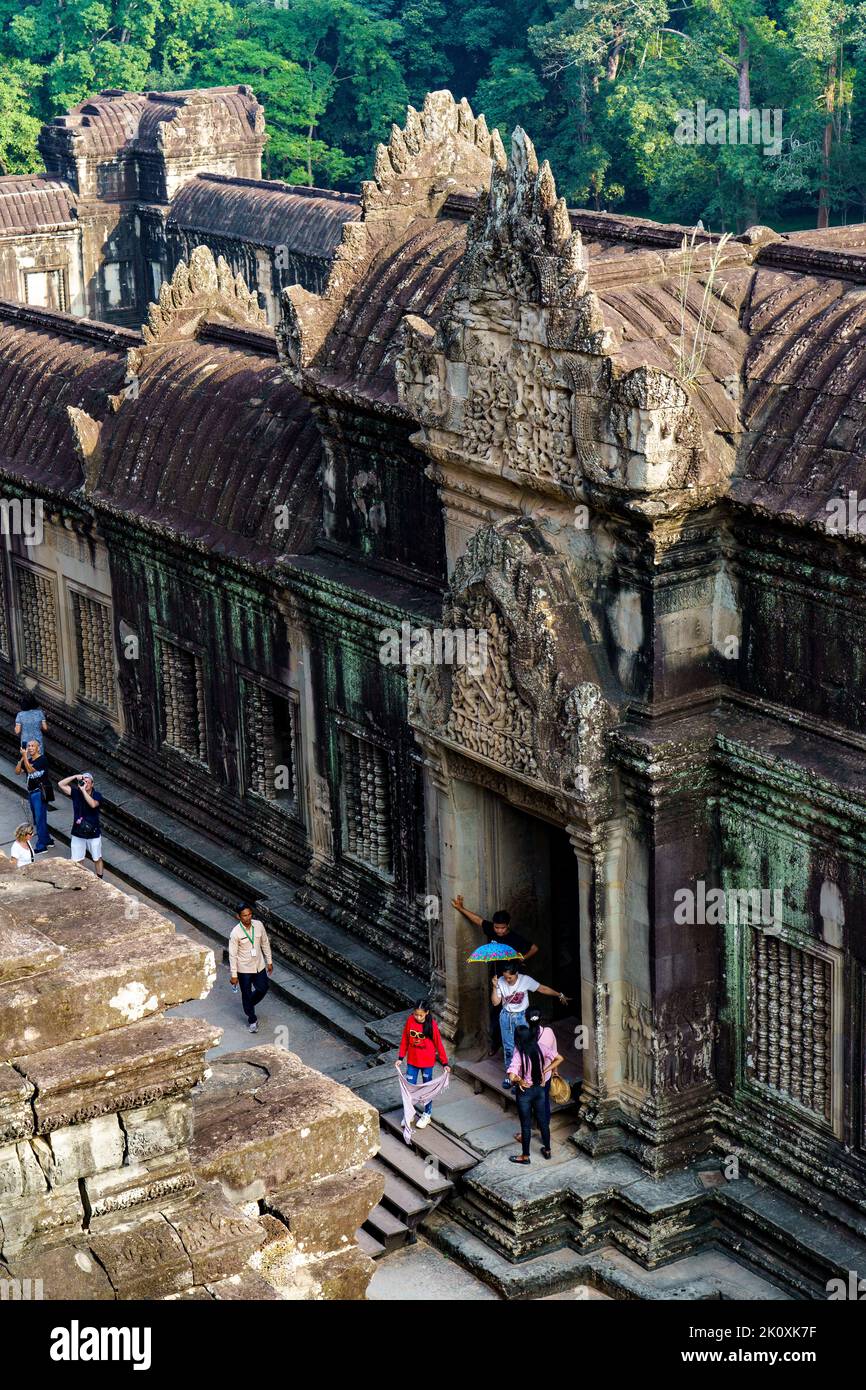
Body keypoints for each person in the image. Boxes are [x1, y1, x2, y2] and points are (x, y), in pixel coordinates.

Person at [451, 895, 538, 1057]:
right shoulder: (491, 929)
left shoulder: (514, 938)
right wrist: (460, 908)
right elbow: (478, 921)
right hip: (497, 979)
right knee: (496, 1012)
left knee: (516, 1011)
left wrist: (521, 959)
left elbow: (534, 948)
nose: (499, 930)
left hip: (512, 979)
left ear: (508, 926)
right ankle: (495, 1044)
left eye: (502, 928)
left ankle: (522, 1042)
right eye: (497, 927)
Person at [492, 965, 570, 1087]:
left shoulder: (525, 980)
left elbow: (542, 989)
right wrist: (494, 986)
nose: (507, 980)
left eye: (510, 978)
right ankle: (512, 1077)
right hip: (506, 1017)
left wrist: (558, 995)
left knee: (524, 1047)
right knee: (508, 1048)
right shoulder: (500, 981)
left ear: (516, 974)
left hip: (522, 1017)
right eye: (505, 977)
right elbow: (495, 1002)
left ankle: (523, 1076)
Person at [507, 1021, 564, 1164]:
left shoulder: (519, 1054)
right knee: (543, 1121)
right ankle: (548, 1150)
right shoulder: (541, 1048)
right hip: (539, 1089)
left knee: (525, 1126)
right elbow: (559, 1058)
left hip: (525, 1092)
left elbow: (512, 1076)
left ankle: (525, 1157)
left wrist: (519, 1081)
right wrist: (546, 1070)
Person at [395, 999, 450, 1129]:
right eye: (416, 1014)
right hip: (412, 1061)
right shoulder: (410, 1021)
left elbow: (439, 1045)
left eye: (421, 1015)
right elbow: (405, 1039)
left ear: (427, 1013)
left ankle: (427, 1114)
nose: (418, 1017)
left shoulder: (432, 1025)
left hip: (427, 1063)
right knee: (409, 1088)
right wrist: (400, 1057)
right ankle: (409, 1113)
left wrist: (445, 1063)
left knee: (427, 1089)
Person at [229, 905, 273, 1033]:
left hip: (259, 965)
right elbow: (232, 955)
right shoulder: (235, 933)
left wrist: (269, 961)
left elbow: (265, 942)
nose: (248, 917)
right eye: (244, 915)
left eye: (249, 914)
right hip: (244, 969)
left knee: (263, 988)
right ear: (238, 916)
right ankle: (252, 1019)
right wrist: (234, 975)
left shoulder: (258, 925)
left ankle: (248, 1004)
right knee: (246, 994)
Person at [57, 772, 103, 877]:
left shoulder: (97, 795)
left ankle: (100, 878)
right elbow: (61, 784)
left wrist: (83, 791)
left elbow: (93, 804)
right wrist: (74, 777)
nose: (85, 784)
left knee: (97, 858)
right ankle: (80, 878)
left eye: (88, 782)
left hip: (93, 833)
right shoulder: (76, 793)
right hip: (78, 832)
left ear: (92, 784)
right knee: (77, 859)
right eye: (83, 781)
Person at [16, 739, 54, 853]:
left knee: (39, 818)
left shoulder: (42, 759)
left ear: (38, 747)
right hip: (31, 793)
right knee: (39, 819)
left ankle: (41, 845)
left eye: (33, 746)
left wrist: (26, 758)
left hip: (40, 793)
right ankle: (47, 840)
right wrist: (23, 757)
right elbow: (17, 771)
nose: (31, 748)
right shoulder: (28, 759)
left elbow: (30, 770)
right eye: (29, 746)